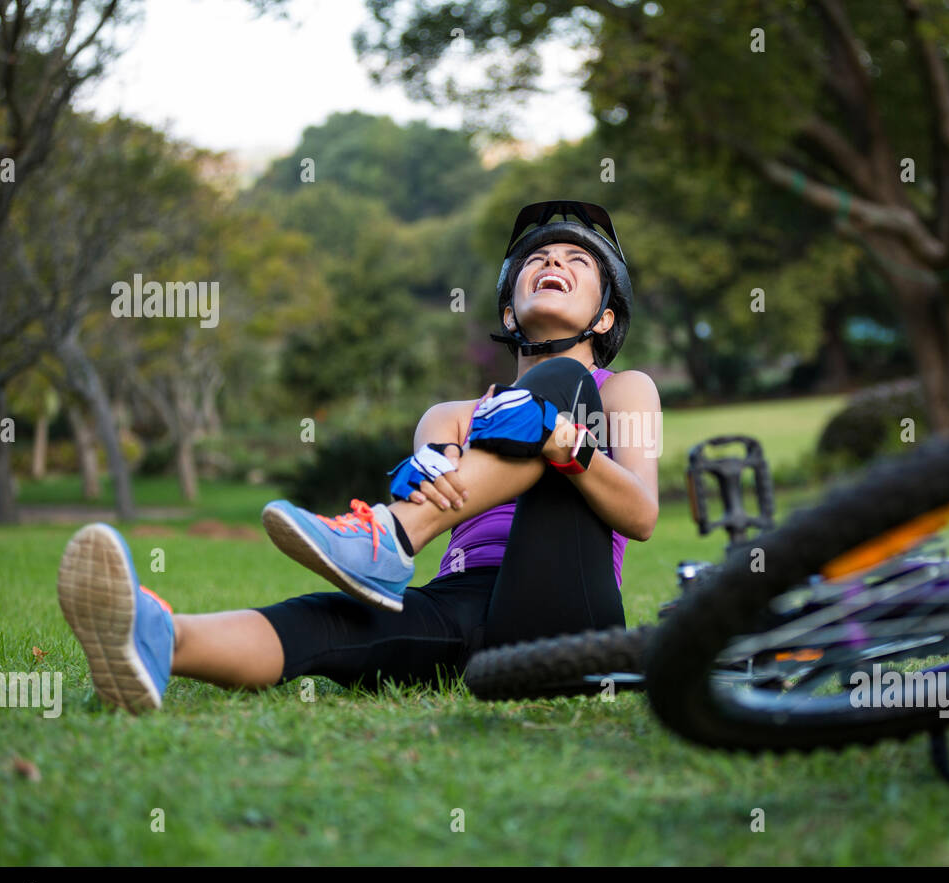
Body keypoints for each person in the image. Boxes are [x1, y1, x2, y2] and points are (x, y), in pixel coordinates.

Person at [56, 200, 661, 713]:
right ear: (509, 313)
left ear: (604, 317)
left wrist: (566, 446)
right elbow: (440, 488)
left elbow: (641, 515)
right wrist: (434, 475)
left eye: (576, 261)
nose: (553, 262)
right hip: (466, 608)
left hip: (567, 623)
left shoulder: (626, 390)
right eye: (538, 259)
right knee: (332, 619)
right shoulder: (449, 416)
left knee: (562, 383)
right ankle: (159, 639)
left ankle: (388, 541)